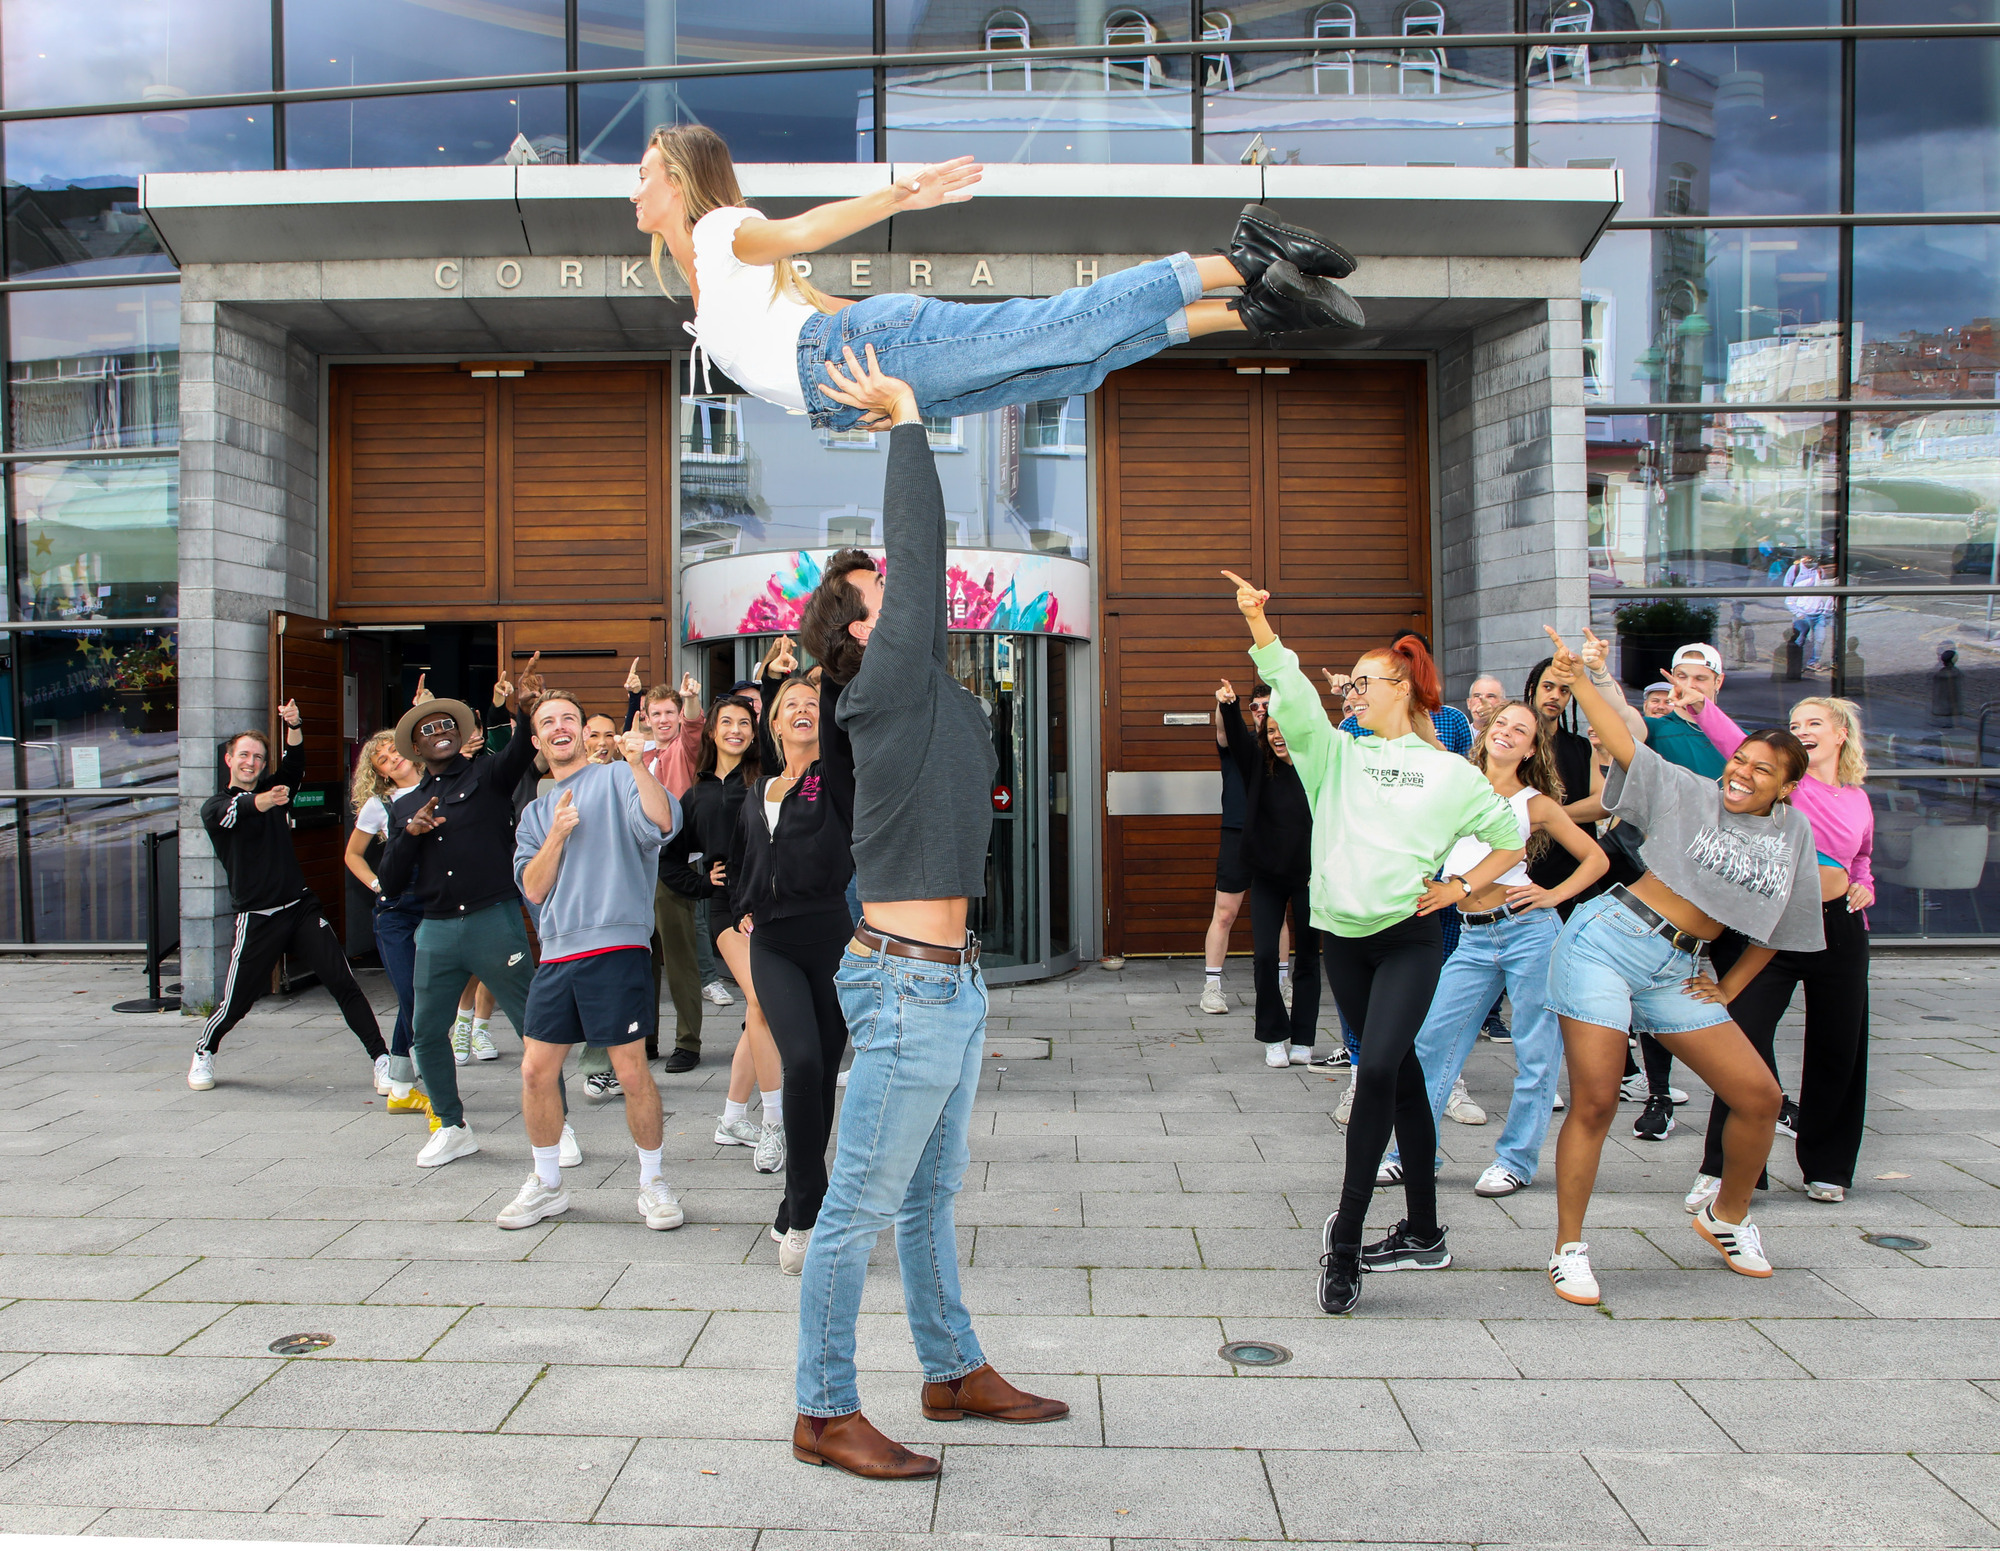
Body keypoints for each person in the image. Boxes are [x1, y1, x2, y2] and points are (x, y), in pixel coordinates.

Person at [789, 348, 1067, 1481]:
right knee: (854, 1205)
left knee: (931, 1192)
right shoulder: (877, 687)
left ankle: (950, 1369)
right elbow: (925, 557)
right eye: (881, 600)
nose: (904, 605)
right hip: (902, 981)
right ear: (855, 631)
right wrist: (907, 421)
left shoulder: (939, 693)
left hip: (947, 980)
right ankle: (820, 1409)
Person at [633, 125, 1364, 438]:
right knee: (1069, 365)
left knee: (1058, 328)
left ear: (678, 180)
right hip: (868, 378)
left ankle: (1239, 254)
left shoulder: (717, 229)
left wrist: (898, 194)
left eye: (643, 176)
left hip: (868, 353)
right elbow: (823, 305)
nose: (633, 192)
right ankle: (1251, 312)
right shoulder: (715, 281)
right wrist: (870, 413)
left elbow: (800, 235)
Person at [1223, 569, 1526, 1317]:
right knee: (1406, 1082)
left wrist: (1459, 888)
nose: (1350, 692)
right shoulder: (1334, 756)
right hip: (1346, 942)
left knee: (1381, 1067)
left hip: (1410, 940)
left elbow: (1508, 837)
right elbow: (1290, 689)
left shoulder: (1449, 772)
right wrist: (1261, 625)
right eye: (1350, 683)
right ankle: (1424, 1231)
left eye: (1364, 681)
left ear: (1405, 688)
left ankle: (1349, 1236)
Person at [1539, 626, 1819, 1307]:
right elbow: (1628, 743)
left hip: (1677, 968)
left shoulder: (1791, 836)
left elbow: (1784, 925)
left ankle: (1725, 1216)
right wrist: (1580, 681)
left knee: (1760, 1097)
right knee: (1599, 1098)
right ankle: (1567, 1249)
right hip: (1608, 940)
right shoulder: (1691, 790)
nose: (1741, 773)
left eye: (1760, 771)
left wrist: (1728, 986)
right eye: (1741, 759)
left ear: (1785, 790)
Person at [1379, 701, 1608, 1199]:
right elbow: (1419, 731)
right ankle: (1413, 1153)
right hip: (1472, 934)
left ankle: (1516, 1161)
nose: (1507, 733)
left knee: (1536, 1051)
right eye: (1500, 723)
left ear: (1531, 747)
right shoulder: (1457, 777)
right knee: (1431, 1043)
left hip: (1529, 932)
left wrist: (1553, 895)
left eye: (1519, 730)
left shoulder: (1536, 804)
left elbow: (1596, 858)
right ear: (1486, 733)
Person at [379, 656, 575, 1169]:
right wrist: (408, 836)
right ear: (416, 747)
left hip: (494, 920)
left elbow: (515, 752)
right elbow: (393, 881)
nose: (440, 732)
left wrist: (525, 706)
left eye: (448, 725)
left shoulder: (488, 773)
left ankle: (559, 1125)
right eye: (429, 729)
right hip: (436, 930)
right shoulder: (404, 807)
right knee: (425, 1032)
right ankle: (451, 1125)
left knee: (535, 1026)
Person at [501, 691, 684, 1232]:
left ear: (583, 731)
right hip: (558, 954)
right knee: (536, 1070)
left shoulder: (620, 777)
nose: (560, 728)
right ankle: (547, 1183)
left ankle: (652, 1182)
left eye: (569, 719)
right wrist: (556, 835)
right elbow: (533, 889)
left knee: (630, 1071)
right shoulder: (535, 812)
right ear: (536, 741)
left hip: (618, 946)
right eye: (548, 722)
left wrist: (636, 763)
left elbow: (661, 824)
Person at [1685, 694, 1875, 1207]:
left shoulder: (1857, 796)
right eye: (1795, 723)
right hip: (1773, 926)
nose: (1802, 730)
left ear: (1840, 734)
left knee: (1840, 1045)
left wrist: (1866, 884)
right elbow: (1735, 744)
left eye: (1814, 723)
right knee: (1743, 1038)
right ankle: (1725, 1168)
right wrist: (1703, 705)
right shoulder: (1791, 785)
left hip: (1840, 930)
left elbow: (1861, 859)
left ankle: (1828, 1167)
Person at [732, 639, 859, 1274]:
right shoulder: (758, 790)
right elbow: (742, 864)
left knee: (821, 1070)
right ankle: (809, 1211)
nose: (804, 709)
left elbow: (833, 720)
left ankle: (799, 1196)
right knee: (802, 1061)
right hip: (775, 943)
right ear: (774, 722)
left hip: (832, 938)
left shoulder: (834, 779)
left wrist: (827, 668)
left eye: (813, 703)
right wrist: (737, 904)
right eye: (792, 704)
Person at [193, 701, 390, 1092]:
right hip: (257, 916)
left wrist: (296, 725)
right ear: (230, 759)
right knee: (238, 999)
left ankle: (382, 1060)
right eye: (244, 755)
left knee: (343, 982)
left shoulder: (274, 789)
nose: (251, 762)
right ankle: (205, 1051)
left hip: (300, 908)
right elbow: (242, 808)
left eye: (259, 757)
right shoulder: (216, 807)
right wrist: (265, 800)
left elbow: (295, 764)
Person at [1334, 635, 1485, 1123]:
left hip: (1431, 879)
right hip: (1364, 884)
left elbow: (1461, 779)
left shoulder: (1452, 721)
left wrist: (1459, 885)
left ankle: (1447, 1077)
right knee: (1363, 989)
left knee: (1432, 980)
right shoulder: (1354, 727)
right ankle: (1361, 1075)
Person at [664, 692, 782, 1169]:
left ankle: (733, 1117)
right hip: (728, 911)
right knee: (764, 1001)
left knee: (760, 1011)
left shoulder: (768, 784)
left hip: (773, 907)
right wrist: (699, 881)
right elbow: (667, 861)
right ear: (712, 731)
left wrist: (772, 683)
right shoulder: (695, 796)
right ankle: (774, 1122)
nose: (736, 729)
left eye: (745, 723)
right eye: (726, 722)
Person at [1217, 677, 1326, 1067]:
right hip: (1267, 874)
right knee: (1264, 956)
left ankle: (1305, 1037)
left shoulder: (1318, 767)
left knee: (1309, 959)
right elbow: (1236, 739)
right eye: (1272, 729)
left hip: (1310, 876)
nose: (1278, 736)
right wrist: (1229, 705)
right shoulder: (1257, 764)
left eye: (1284, 730)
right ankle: (1273, 1035)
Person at [344, 730, 431, 1116]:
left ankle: (400, 1083)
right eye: (381, 759)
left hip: (435, 904)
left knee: (423, 992)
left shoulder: (440, 785)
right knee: (411, 993)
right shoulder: (380, 805)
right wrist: (377, 883)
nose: (391, 759)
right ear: (378, 773)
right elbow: (353, 856)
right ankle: (404, 1077)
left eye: (394, 750)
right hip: (395, 910)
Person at [1201, 680, 1267, 1017]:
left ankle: (1282, 983)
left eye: (1265, 706)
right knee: (1225, 913)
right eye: (1254, 707)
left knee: (1277, 916)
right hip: (1237, 834)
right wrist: (1223, 703)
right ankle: (1211, 988)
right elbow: (1224, 734)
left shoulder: (1289, 743)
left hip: (1274, 836)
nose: (1260, 712)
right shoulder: (1240, 742)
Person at [1784, 554, 1834, 672]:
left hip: (1819, 615)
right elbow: (1789, 599)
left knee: (1820, 639)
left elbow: (1830, 599)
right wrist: (1798, 614)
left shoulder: (1831, 583)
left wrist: (1826, 612)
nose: (1829, 571)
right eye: (1827, 568)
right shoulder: (1807, 582)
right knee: (1799, 639)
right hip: (1804, 614)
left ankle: (1813, 662)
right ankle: (1796, 664)